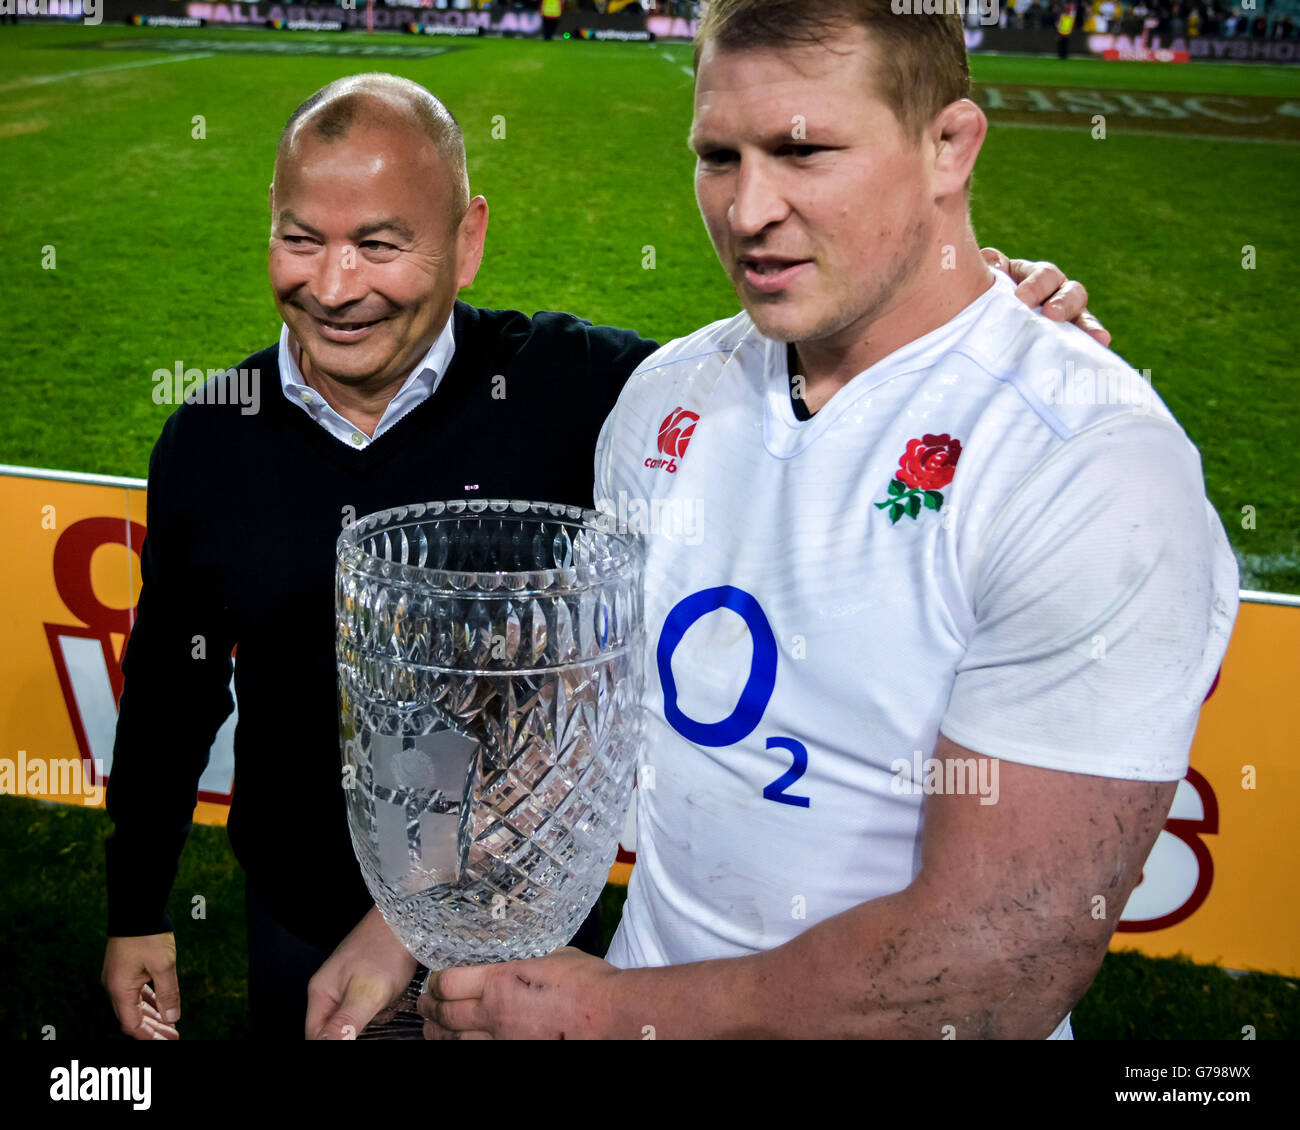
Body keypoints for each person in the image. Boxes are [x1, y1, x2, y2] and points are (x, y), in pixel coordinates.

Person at [99, 70, 1105, 1042]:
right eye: (300, 239)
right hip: (301, 913)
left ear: (467, 241)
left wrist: (979, 312)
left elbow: (815, 370)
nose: (333, 285)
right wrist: (136, 904)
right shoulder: (210, 436)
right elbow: (171, 689)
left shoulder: (585, 389)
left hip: (523, 923)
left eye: (378, 243)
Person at [413, 1, 1238, 1039]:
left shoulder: (1090, 459)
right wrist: (411, 920)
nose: (747, 208)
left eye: (803, 151)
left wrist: (621, 1018)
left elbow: (994, 964)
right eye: (718, 154)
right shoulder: (666, 396)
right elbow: (586, 735)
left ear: (948, 146)